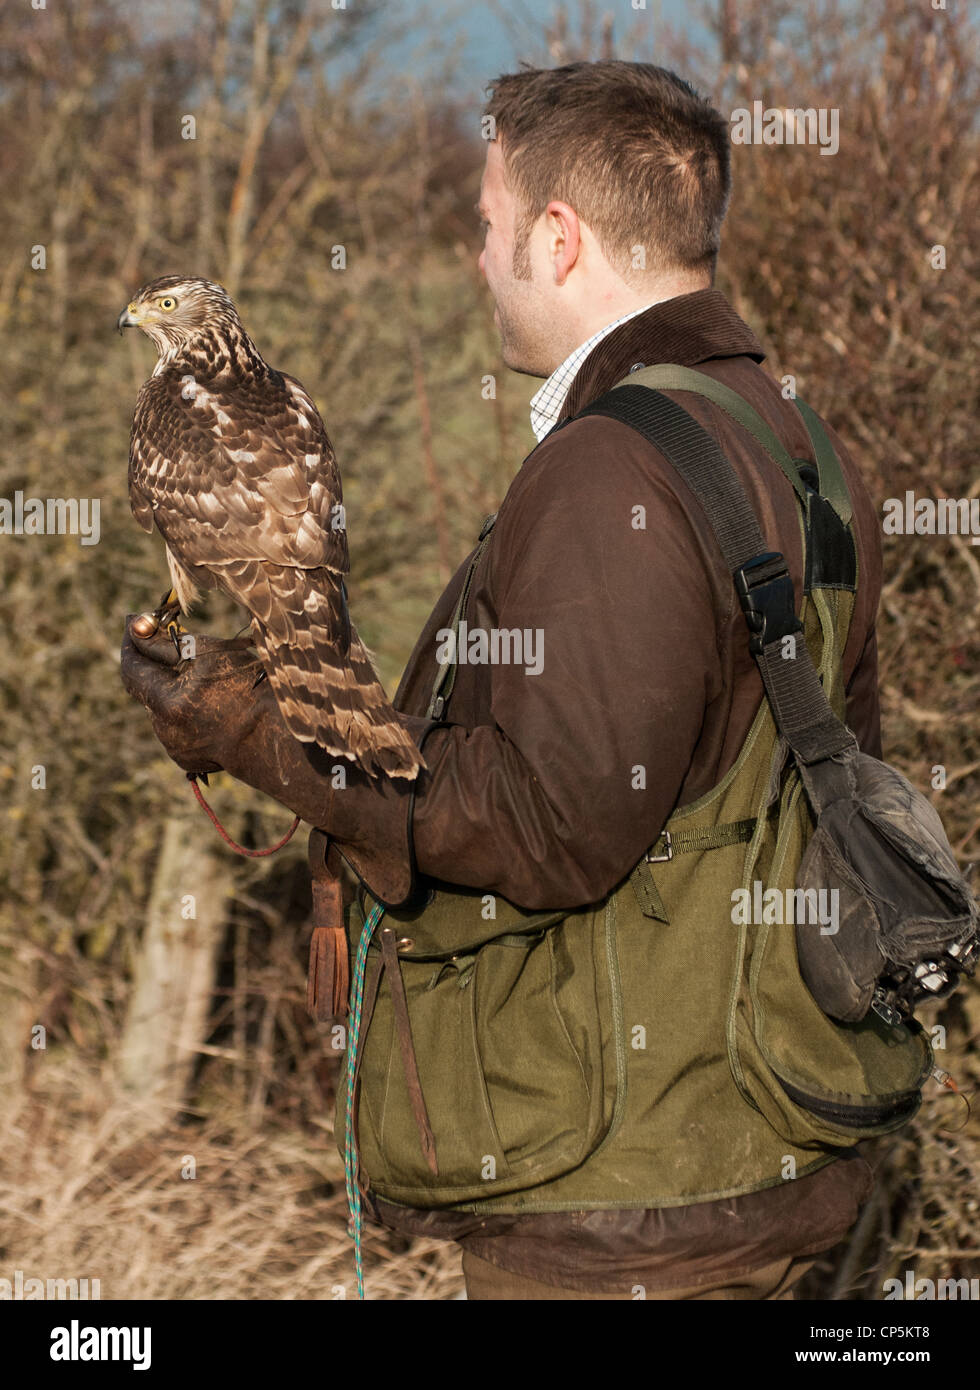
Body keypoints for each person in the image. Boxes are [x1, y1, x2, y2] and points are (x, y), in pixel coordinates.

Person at [122, 61, 882, 1300]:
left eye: (487, 224)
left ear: (558, 237)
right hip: (768, 1135)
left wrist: (255, 732)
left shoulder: (612, 469)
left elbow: (546, 824)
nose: (474, 258)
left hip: (611, 1193)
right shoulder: (796, 444)